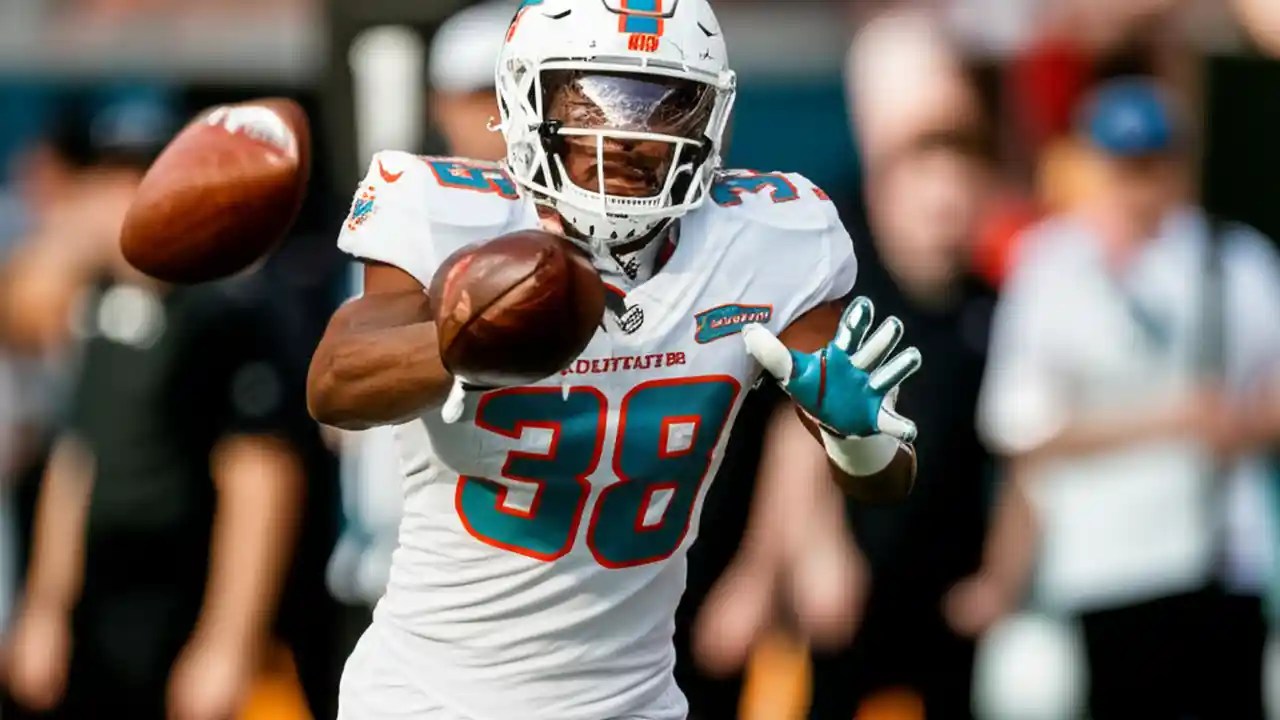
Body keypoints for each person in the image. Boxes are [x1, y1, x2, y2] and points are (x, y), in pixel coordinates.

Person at [308, 2, 924, 718]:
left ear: (710, 116)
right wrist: (465, 342)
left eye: (667, 103)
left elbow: (885, 481)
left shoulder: (771, 239)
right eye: (597, 98)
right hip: (428, 698)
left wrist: (857, 437)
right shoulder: (446, 213)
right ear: (528, 98)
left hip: (635, 700)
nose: (630, 133)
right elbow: (335, 384)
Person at [4, 95, 340, 720]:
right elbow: (78, 456)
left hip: (185, 591)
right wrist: (45, 606)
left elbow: (259, 475)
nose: (125, 196)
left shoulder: (226, 309)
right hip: (102, 600)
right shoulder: (100, 301)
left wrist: (227, 640)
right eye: (112, 178)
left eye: (144, 176)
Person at [978, 77, 1280, 719]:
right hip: (1105, 563)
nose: (1137, 188)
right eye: (1123, 167)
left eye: (1152, 166)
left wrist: (1240, 422)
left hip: (1220, 557)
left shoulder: (1236, 260)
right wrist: (1170, 422)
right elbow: (1020, 427)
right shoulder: (1051, 266)